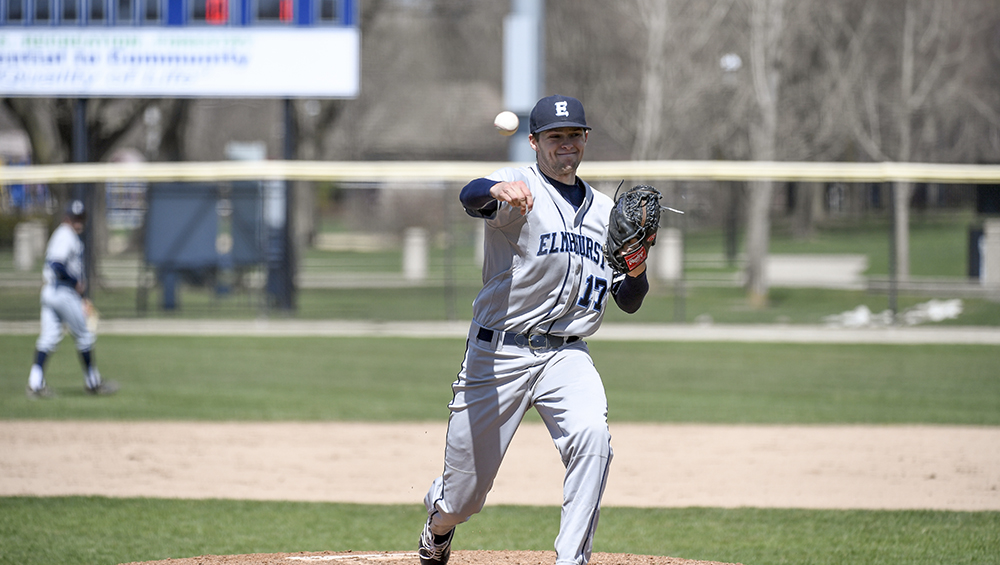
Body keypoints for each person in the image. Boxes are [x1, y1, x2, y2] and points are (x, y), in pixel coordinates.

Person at [418, 95, 650, 565]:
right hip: (499, 352)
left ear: (585, 140)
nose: (566, 144)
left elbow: (628, 300)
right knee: (464, 500)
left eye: (574, 135)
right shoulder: (518, 186)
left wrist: (639, 266)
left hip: (567, 353)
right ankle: (438, 525)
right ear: (535, 142)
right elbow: (470, 195)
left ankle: (572, 560)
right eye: (555, 136)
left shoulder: (607, 212)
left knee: (592, 438)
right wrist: (496, 191)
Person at [26, 199, 118, 398]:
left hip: (50, 292)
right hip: (63, 292)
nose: (78, 221)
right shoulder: (66, 235)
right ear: (67, 217)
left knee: (48, 338)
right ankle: (93, 382)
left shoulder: (62, 234)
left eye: (81, 217)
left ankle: (35, 384)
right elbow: (56, 265)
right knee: (84, 337)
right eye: (75, 217)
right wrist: (75, 281)